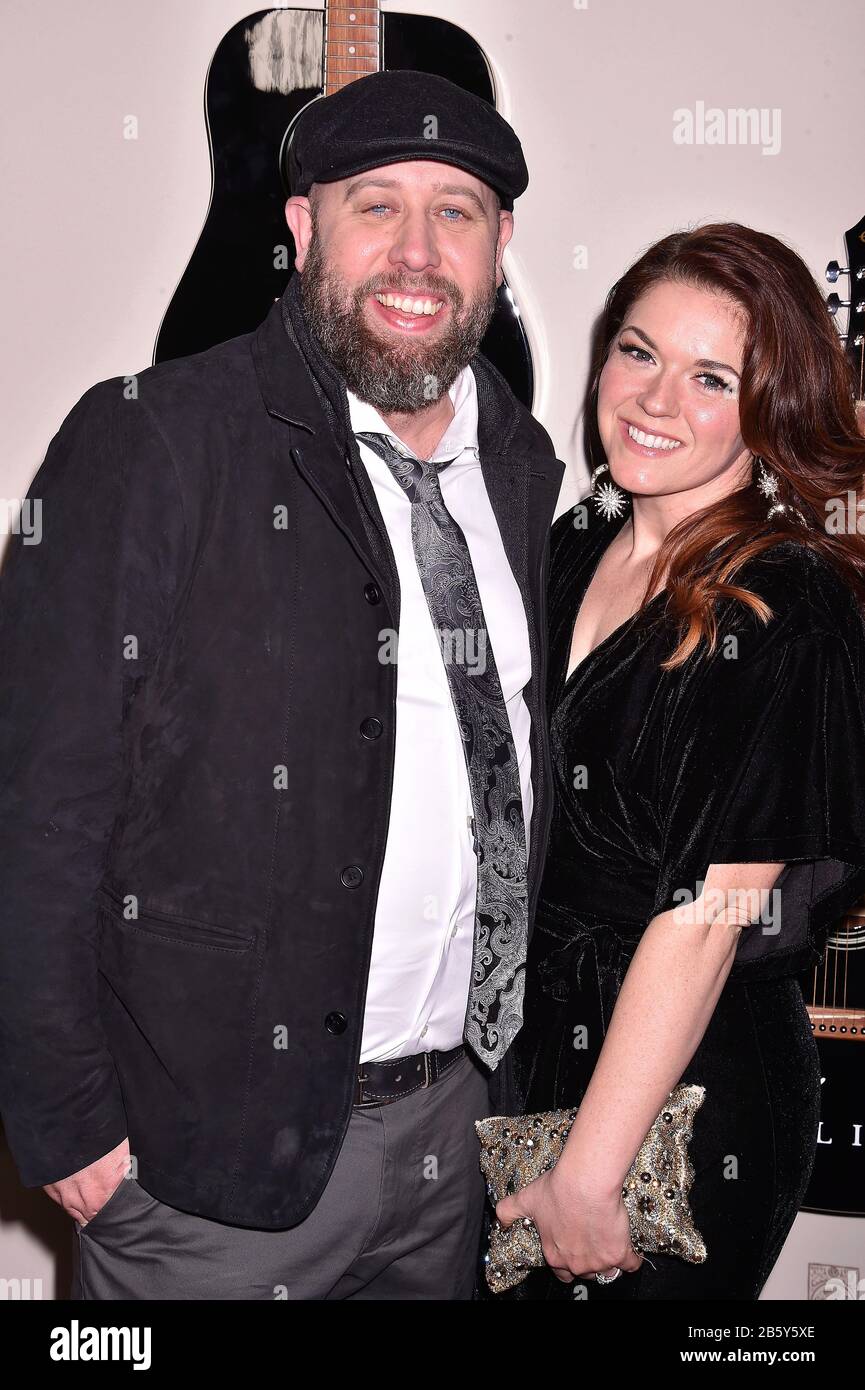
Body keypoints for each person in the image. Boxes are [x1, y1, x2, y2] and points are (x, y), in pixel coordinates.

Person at [0, 70, 564, 1300]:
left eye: (456, 212)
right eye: (376, 206)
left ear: (501, 244)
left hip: (455, 1140)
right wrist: (67, 1121)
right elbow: (36, 805)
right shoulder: (153, 438)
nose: (416, 252)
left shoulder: (521, 465)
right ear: (304, 227)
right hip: (202, 1171)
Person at [493, 223, 865, 1301]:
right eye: (639, 351)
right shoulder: (574, 540)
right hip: (534, 1051)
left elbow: (709, 920)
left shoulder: (784, 603)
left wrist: (589, 1175)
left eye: (711, 377)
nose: (655, 400)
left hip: (686, 1091)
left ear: (770, 409)